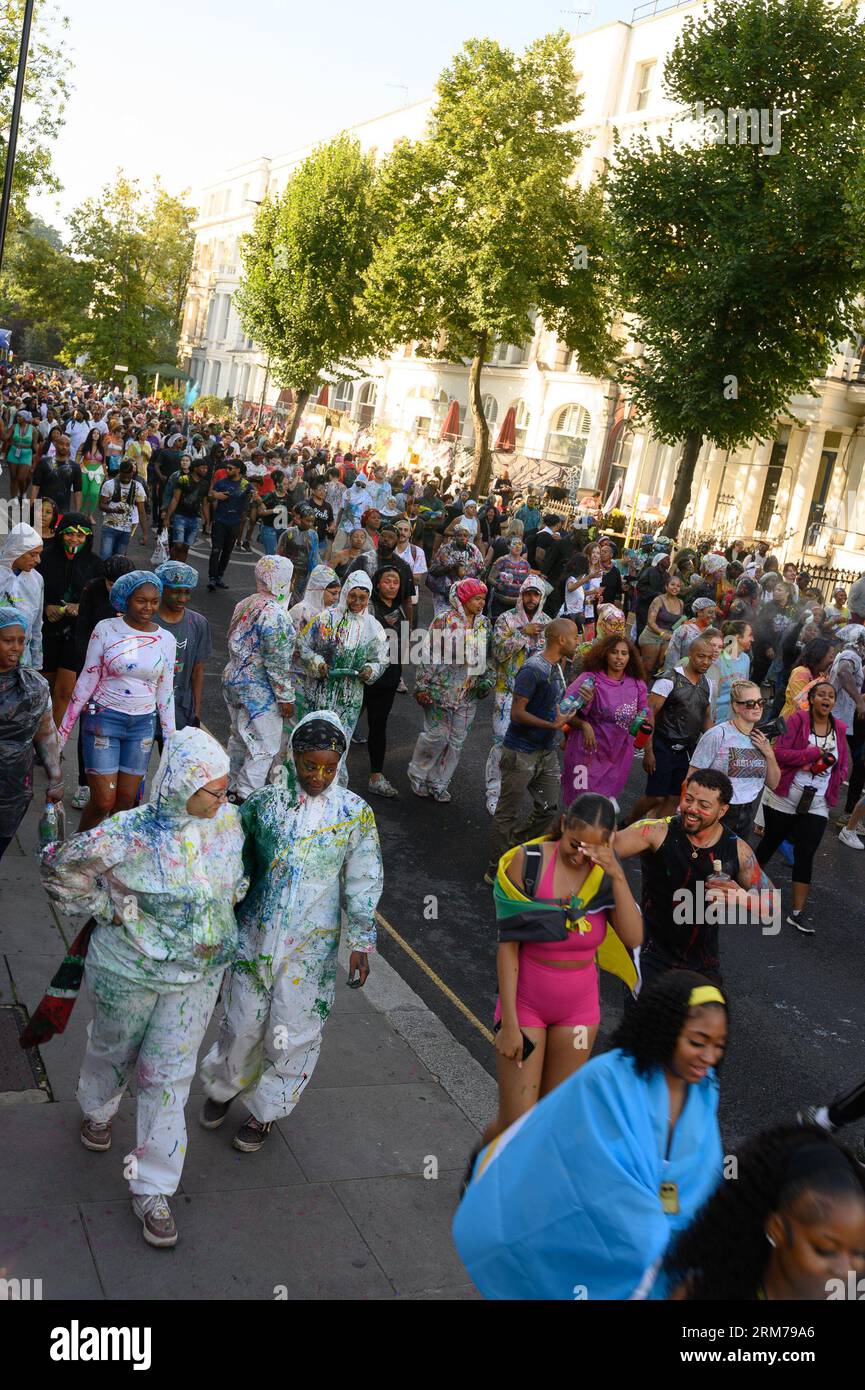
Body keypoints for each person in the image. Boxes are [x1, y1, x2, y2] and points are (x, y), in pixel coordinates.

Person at [40, 728, 248, 1248]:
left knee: (167, 1076)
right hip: (127, 972)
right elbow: (63, 869)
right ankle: (98, 1107)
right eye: (212, 791)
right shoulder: (129, 833)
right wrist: (116, 910)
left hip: (196, 978)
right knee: (114, 1048)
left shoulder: (229, 825)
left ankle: (153, 1187)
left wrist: (217, 924)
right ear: (179, 783)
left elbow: (236, 883)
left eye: (225, 790)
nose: (222, 800)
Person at [453, 972, 727, 1300]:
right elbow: (593, 1179)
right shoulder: (608, 1079)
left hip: (662, 1269)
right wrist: (651, 1235)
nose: (709, 1058)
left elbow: (704, 1175)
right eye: (697, 1042)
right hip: (589, 1254)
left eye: (718, 1045)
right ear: (666, 1030)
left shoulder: (706, 1091)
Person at [199, 712, 383, 1152]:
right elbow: (238, 868)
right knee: (241, 1021)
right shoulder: (263, 806)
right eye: (308, 766)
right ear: (292, 758)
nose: (318, 776)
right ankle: (223, 1086)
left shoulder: (354, 815)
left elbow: (363, 879)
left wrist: (361, 940)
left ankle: (267, 1109)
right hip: (253, 938)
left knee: (293, 1027)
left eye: (328, 768)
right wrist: (221, 919)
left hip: (311, 949)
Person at [487, 792, 642, 1130]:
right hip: (525, 1004)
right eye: (575, 845)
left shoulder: (604, 875)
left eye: (593, 849)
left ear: (610, 841)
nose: (581, 856)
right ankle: (481, 1176)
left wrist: (617, 876)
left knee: (550, 1121)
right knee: (516, 1123)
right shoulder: (528, 863)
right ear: (563, 826)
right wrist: (510, 1025)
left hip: (579, 1012)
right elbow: (509, 947)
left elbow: (634, 937)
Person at [615, 769, 777, 987]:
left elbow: (772, 907)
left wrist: (742, 897)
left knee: (708, 1020)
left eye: (704, 805)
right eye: (688, 799)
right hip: (651, 956)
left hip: (702, 964)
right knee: (649, 1020)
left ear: (722, 811)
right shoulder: (656, 832)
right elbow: (602, 851)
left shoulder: (737, 850)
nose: (692, 809)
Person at [664, 1126, 865, 1300]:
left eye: (859, 1252)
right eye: (824, 1249)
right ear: (776, 1229)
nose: (846, 1272)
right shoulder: (703, 1293)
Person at [57, 571, 176, 831]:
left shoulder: (167, 639)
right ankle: (77, 853)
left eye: (154, 601)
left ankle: (109, 859)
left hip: (142, 725)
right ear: (125, 599)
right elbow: (86, 680)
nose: (148, 607)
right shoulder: (106, 629)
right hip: (103, 719)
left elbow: (166, 693)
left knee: (125, 802)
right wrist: (61, 734)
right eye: (141, 601)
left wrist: (171, 742)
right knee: (102, 801)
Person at [485, 618, 578, 878]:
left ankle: (514, 847)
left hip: (546, 752)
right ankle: (496, 870)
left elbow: (555, 705)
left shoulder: (558, 666)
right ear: (561, 640)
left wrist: (575, 704)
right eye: (574, 637)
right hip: (521, 752)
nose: (577, 641)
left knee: (548, 808)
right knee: (508, 812)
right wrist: (552, 725)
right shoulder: (533, 669)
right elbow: (516, 714)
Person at [756, 682, 849, 934]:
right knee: (770, 843)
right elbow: (781, 753)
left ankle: (797, 913)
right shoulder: (798, 720)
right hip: (786, 796)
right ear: (812, 698)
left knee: (806, 853)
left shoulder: (838, 728)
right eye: (821, 694)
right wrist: (811, 754)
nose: (826, 698)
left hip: (816, 802)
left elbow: (843, 763)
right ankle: (744, 889)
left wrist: (837, 777)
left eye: (830, 695)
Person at [408, 578, 493, 803]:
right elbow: (427, 654)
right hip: (439, 689)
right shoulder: (445, 620)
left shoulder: (484, 623)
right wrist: (422, 685)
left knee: (457, 740)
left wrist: (487, 679)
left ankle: (439, 782)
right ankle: (418, 775)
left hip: (468, 692)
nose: (481, 603)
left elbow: (487, 655)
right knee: (437, 736)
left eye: (483, 598)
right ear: (464, 598)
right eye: (476, 598)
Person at [222, 556, 296, 800]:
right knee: (264, 746)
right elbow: (277, 662)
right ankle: (246, 796)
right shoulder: (276, 614)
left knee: (239, 737)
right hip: (259, 689)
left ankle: (230, 788)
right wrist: (285, 697)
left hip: (234, 678)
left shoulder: (246, 603)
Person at [295, 570, 388, 765]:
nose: (357, 602)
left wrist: (370, 670)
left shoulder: (374, 627)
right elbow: (303, 645)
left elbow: (381, 658)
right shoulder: (324, 619)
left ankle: (332, 787)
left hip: (350, 696)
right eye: (352, 596)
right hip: (318, 691)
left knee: (339, 745)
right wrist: (317, 663)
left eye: (363, 598)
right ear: (345, 593)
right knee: (312, 740)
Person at [0, 607, 64, 863]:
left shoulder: (33, 687)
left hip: (13, 786)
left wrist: (56, 778)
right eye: (7, 641)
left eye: (20, 641)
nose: (16, 648)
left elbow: (46, 732)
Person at [628, 635, 713, 823]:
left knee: (675, 798)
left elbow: (706, 718)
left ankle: (658, 835)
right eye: (701, 656)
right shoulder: (669, 679)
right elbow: (649, 715)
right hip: (662, 745)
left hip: (686, 750)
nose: (705, 661)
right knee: (656, 796)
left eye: (709, 657)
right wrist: (648, 752)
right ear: (690, 654)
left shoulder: (707, 683)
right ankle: (627, 823)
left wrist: (715, 744)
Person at [561, 633, 649, 810]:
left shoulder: (637, 684)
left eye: (624, 653)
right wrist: (584, 725)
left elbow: (645, 714)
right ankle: (571, 835)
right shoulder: (589, 679)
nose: (619, 657)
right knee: (579, 803)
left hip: (618, 755)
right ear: (604, 654)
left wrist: (644, 730)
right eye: (614, 652)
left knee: (603, 807)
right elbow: (563, 711)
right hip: (585, 753)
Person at [485, 575, 549, 816]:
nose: (531, 599)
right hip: (507, 691)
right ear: (521, 594)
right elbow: (498, 652)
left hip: (535, 698)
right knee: (501, 742)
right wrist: (523, 633)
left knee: (525, 749)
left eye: (536, 594)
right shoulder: (506, 619)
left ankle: (512, 794)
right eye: (527, 594)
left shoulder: (548, 622)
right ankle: (493, 792)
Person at [688, 680, 780, 839]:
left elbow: (773, 783)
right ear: (736, 706)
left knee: (732, 861)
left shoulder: (761, 738)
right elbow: (692, 776)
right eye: (750, 703)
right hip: (717, 809)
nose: (757, 707)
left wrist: (769, 754)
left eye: (760, 702)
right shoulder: (718, 735)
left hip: (746, 813)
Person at [38, 513, 103, 725]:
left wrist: (81, 607)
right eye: (69, 534)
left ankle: (54, 745)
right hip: (45, 633)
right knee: (43, 689)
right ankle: (37, 738)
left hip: (76, 636)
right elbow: (31, 591)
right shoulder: (44, 558)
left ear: (88, 538)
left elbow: (100, 603)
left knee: (65, 691)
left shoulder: (95, 564)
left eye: (80, 536)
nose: (74, 539)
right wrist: (46, 606)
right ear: (60, 534)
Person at [363, 564, 409, 799]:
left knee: (378, 728)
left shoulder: (400, 609)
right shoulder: (367, 607)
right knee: (344, 724)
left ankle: (376, 776)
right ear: (377, 583)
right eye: (387, 581)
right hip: (363, 678)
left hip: (388, 679)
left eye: (396, 582)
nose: (391, 586)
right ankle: (332, 772)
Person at [153, 562, 212, 734]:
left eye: (187, 592)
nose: (183, 598)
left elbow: (197, 671)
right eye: (176, 591)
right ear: (162, 589)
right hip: (145, 709)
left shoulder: (198, 624)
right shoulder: (147, 621)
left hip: (179, 710)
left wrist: (195, 713)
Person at [827, 624, 865, 821]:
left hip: (838, 719)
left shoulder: (851, 655)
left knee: (835, 763)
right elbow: (843, 672)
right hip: (835, 718)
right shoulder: (851, 656)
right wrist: (859, 701)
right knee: (832, 763)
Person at [0, 522, 45, 669]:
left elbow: (37, 624)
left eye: (39, 554)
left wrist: (36, 664)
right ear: (16, 551)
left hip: (22, 661)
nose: (38, 560)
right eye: (32, 554)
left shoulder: (36, 580)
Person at [207, 459, 253, 591]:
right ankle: (212, 578)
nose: (227, 470)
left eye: (230, 468)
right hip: (220, 521)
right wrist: (216, 495)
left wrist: (255, 498)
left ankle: (219, 577)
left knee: (227, 552)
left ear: (238, 470)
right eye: (227, 468)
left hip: (235, 523)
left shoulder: (245, 484)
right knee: (216, 550)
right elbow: (210, 497)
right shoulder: (221, 482)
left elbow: (252, 500)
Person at [426, 525, 486, 617]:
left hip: (467, 595)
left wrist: (475, 579)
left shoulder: (473, 550)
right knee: (443, 622)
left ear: (469, 537)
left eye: (465, 536)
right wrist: (451, 567)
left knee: (463, 624)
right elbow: (434, 570)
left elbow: (482, 568)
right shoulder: (446, 549)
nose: (462, 538)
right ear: (454, 536)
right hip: (445, 595)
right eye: (459, 535)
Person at [98, 458, 148, 559]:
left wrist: (145, 534)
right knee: (105, 556)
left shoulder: (138, 487)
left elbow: (142, 512)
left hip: (126, 530)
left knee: (119, 559)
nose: (125, 478)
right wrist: (113, 510)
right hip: (109, 527)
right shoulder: (109, 485)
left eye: (128, 476)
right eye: (123, 475)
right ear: (119, 472)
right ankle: (103, 575)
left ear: (132, 473)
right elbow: (101, 505)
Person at [638, 571, 684, 676]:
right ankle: (640, 689)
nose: (675, 588)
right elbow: (650, 622)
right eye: (672, 585)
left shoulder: (681, 602)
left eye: (678, 586)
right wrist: (662, 634)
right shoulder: (658, 600)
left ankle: (652, 690)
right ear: (666, 586)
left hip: (668, 637)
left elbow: (678, 622)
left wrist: (685, 623)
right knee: (648, 667)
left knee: (661, 665)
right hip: (652, 635)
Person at [779, 636, 836, 718]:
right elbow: (801, 703)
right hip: (791, 722)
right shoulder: (801, 672)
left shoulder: (821, 676)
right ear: (819, 655)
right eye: (830, 656)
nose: (832, 660)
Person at [163, 457, 211, 550]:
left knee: (186, 547)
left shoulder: (205, 483)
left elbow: (205, 504)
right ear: (195, 468)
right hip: (180, 516)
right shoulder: (183, 479)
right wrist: (167, 517)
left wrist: (207, 521)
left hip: (195, 518)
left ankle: (181, 564)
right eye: (203, 468)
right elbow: (175, 499)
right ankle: (173, 563)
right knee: (178, 544)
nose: (205, 470)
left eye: (206, 468)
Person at [661, 596, 718, 673]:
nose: (714, 616)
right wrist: (671, 677)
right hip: (684, 674)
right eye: (710, 612)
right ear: (699, 612)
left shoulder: (715, 633)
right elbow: (672, 656)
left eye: (715, 613)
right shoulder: (683, 630)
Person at [29, 434, 82, 514]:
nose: (64, 447)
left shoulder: (75, 467)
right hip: (42, 507)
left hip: (62, 510)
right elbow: (35, 486)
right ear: (55, 444)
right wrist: (31, 507)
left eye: (67, 445)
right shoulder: (43, 462)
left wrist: (78, 513)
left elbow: (78, 492)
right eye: (61, 444)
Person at [277, 503, 320, 599]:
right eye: (307, 520)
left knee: (297, 599)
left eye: (312, 521)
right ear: (300, 518)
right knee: (282, 596)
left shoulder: (313, 535)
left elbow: (314, 555)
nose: (310, 524)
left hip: (303, 573)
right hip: (288, 571)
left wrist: (315, 572)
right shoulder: (289, 533)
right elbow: (280, 553)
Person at [487, 536, 532, 621]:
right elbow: (490, 578)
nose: (518, 547)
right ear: (508, 546)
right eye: (514, 544)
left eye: (520, 544)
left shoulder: (526, 564)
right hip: (500, 603)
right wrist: (497, 584)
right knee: (497, 623)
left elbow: (528, 583)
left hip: (516, 605)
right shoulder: (501, 561)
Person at [4, 408, 39, 500]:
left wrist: (37, 459)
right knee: (13, 478)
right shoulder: (14, 426)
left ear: (25, 418)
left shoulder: (34, 430)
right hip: (13, 452)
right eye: (17, 416)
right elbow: (5, 437)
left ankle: (22, 494)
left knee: (21, 478)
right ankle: (13, 498)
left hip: (27, 454)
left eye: (20, 416)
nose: (17, 418)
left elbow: (35, 446)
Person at [76, 426, 105, 519]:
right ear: (90, 434)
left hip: (98, 472)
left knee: (94, 493)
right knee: (83, 493)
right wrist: (77, 467)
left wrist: (106, 475)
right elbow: (77, 459)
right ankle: (82, 513)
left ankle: (90, 514)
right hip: (84, 470)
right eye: (94, 433)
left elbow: (104, 463)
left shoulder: (102, 448)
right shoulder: (83, 445)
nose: (96, 435)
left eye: (98, 433)